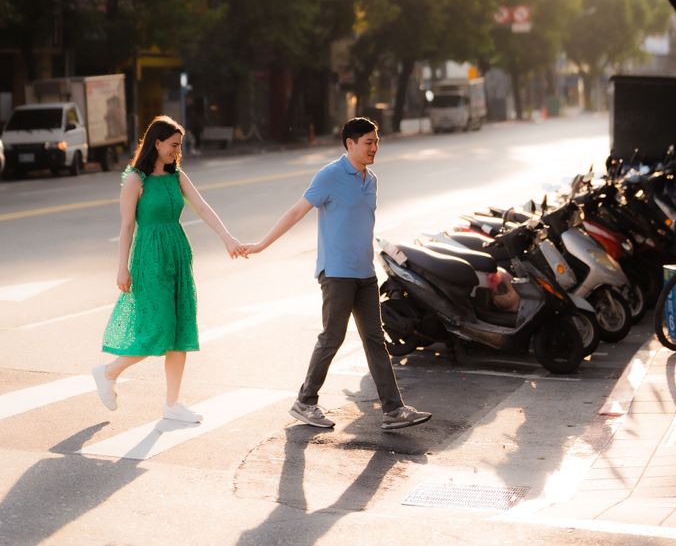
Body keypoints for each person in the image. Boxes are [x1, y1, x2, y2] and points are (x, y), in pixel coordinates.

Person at [246, 116, 431, 431]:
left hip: (365, 273)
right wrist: (262, 244)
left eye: (376, 142)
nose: (375, 147)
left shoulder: (371, 180)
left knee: (375, 340)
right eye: (369, 142)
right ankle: (305, 402)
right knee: (332, 337)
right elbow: (296, 211)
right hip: (336, 273)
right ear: (350, 144)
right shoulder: (330, 175)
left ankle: (393, 410)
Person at [91, 115, 245, 423]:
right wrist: (122, 268)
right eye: (173, 145)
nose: (177, 151)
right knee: (158, 328)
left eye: (180, 145)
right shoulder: (136, 179)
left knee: (179, 329)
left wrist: (227, 238)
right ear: (157, 143)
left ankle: (172, 404)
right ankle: (109, 372)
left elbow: (202, 207)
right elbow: (126, 226)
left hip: (177, 253)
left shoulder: (177, 176)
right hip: (149, 257)